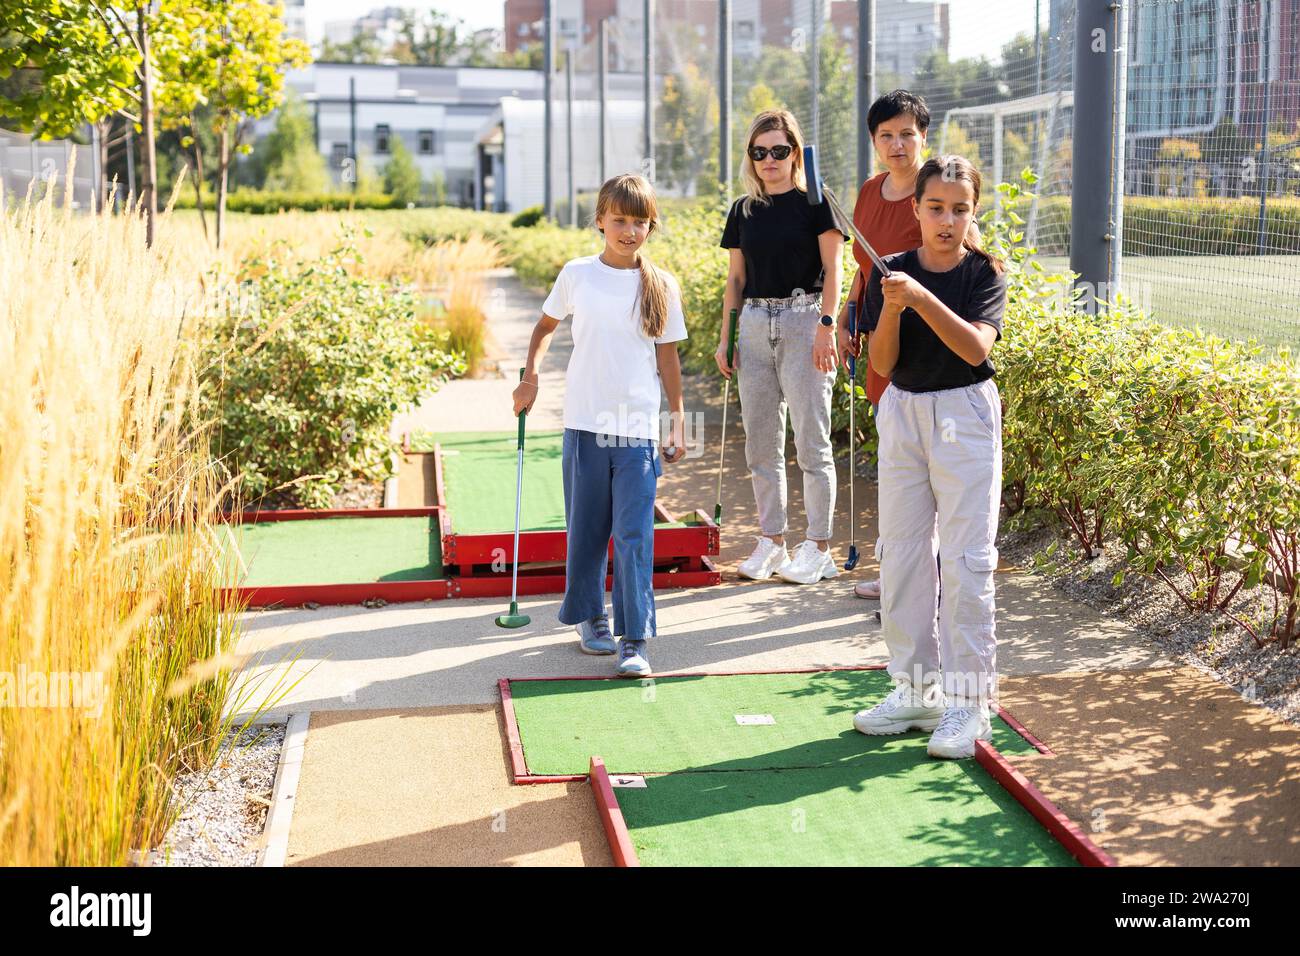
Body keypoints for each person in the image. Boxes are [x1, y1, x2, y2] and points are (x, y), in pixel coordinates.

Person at [851, 155, 1008, 760]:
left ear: (973, 212)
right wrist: (893, 304)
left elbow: (973, 348)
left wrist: (918, 298)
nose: (946, 220)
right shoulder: (889, 271)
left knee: (968, 559)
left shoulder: (984, 273)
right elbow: (883, 364)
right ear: (913, 208)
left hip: (964, 414)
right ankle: (916, 690)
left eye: (960, 209)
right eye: (935, 208)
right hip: (904, 411)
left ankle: (968, 705)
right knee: (904, 554)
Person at [512, 173, 688, 678]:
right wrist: (529, 379)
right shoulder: (577, 275)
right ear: (600, 221)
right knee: (586, 531)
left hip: (634, 430)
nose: (629, 231)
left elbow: (668, 358)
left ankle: (635, 640)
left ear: (651, 226)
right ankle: (591, 617)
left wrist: (676, 420)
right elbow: (545, 326)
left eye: (639, 222)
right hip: (584, 424)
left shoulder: (661, 284)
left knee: (634, 535)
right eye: (620, 220)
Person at [717, 109, 848, 585]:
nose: (769, 160)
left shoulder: (817, 202)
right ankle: (772, 541)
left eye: (778, 150)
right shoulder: (742, 209)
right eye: (759, 152)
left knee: (811, 441)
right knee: (760, 444)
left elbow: (835, 270)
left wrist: (827, 327)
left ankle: (818, 547)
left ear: (796, 152)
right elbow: (735, 278)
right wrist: (726, 337)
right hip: (753, 323)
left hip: (804, 318)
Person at [837, 90, 930, 602]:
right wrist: (849, 315)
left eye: (907, 134)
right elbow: (863, 266)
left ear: (923, 137)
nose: (897, 144)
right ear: (874, 141)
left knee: (921, 466)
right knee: (895, 461)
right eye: (886, 135)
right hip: (880, 340)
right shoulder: (870, 192)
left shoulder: (935, 188)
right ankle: (897, 570)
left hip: (924, 340)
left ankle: (922, 579)